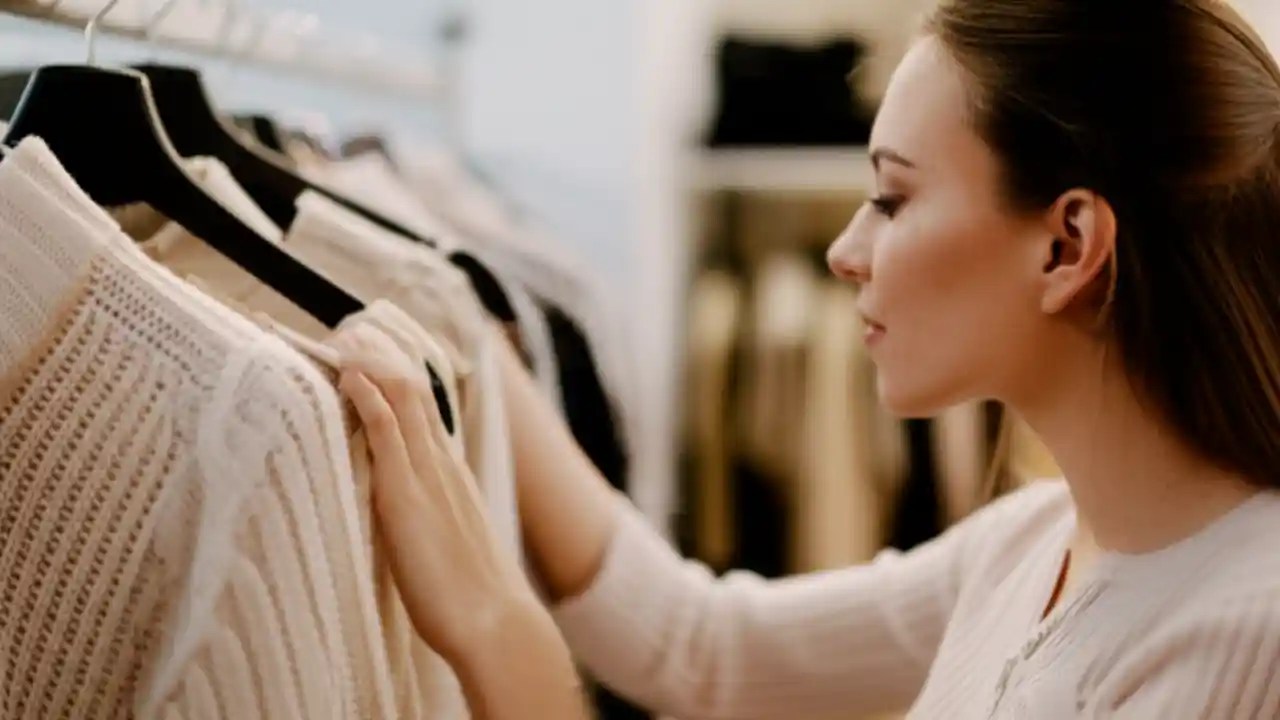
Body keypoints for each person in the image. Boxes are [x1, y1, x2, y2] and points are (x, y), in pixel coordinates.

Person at [329, 0, 1280, 717]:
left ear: (1066, 246)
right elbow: (702, 647)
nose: (844, 250)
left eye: (894, 199)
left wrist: (501, 635)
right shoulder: (1028, 546)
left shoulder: (1246, 632)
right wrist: (460, 322)